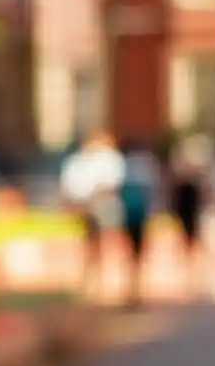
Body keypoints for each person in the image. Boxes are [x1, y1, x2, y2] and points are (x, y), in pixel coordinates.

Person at [60, 132, 125, 292]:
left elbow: (112, 183)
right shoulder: (79, 161)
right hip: (84, 205)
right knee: (89, 242)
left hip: (101, 204)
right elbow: (70, 183)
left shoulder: (108, 159)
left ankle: (104, 275)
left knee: (106, 240)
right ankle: (91, 276)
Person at [119, 140, 160, 308]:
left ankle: (134, 289)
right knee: (135, 253)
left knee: (134, 253)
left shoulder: (131, 168)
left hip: (134, 217)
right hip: (135, 217)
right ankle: (133, 289)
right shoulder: (136, 169)